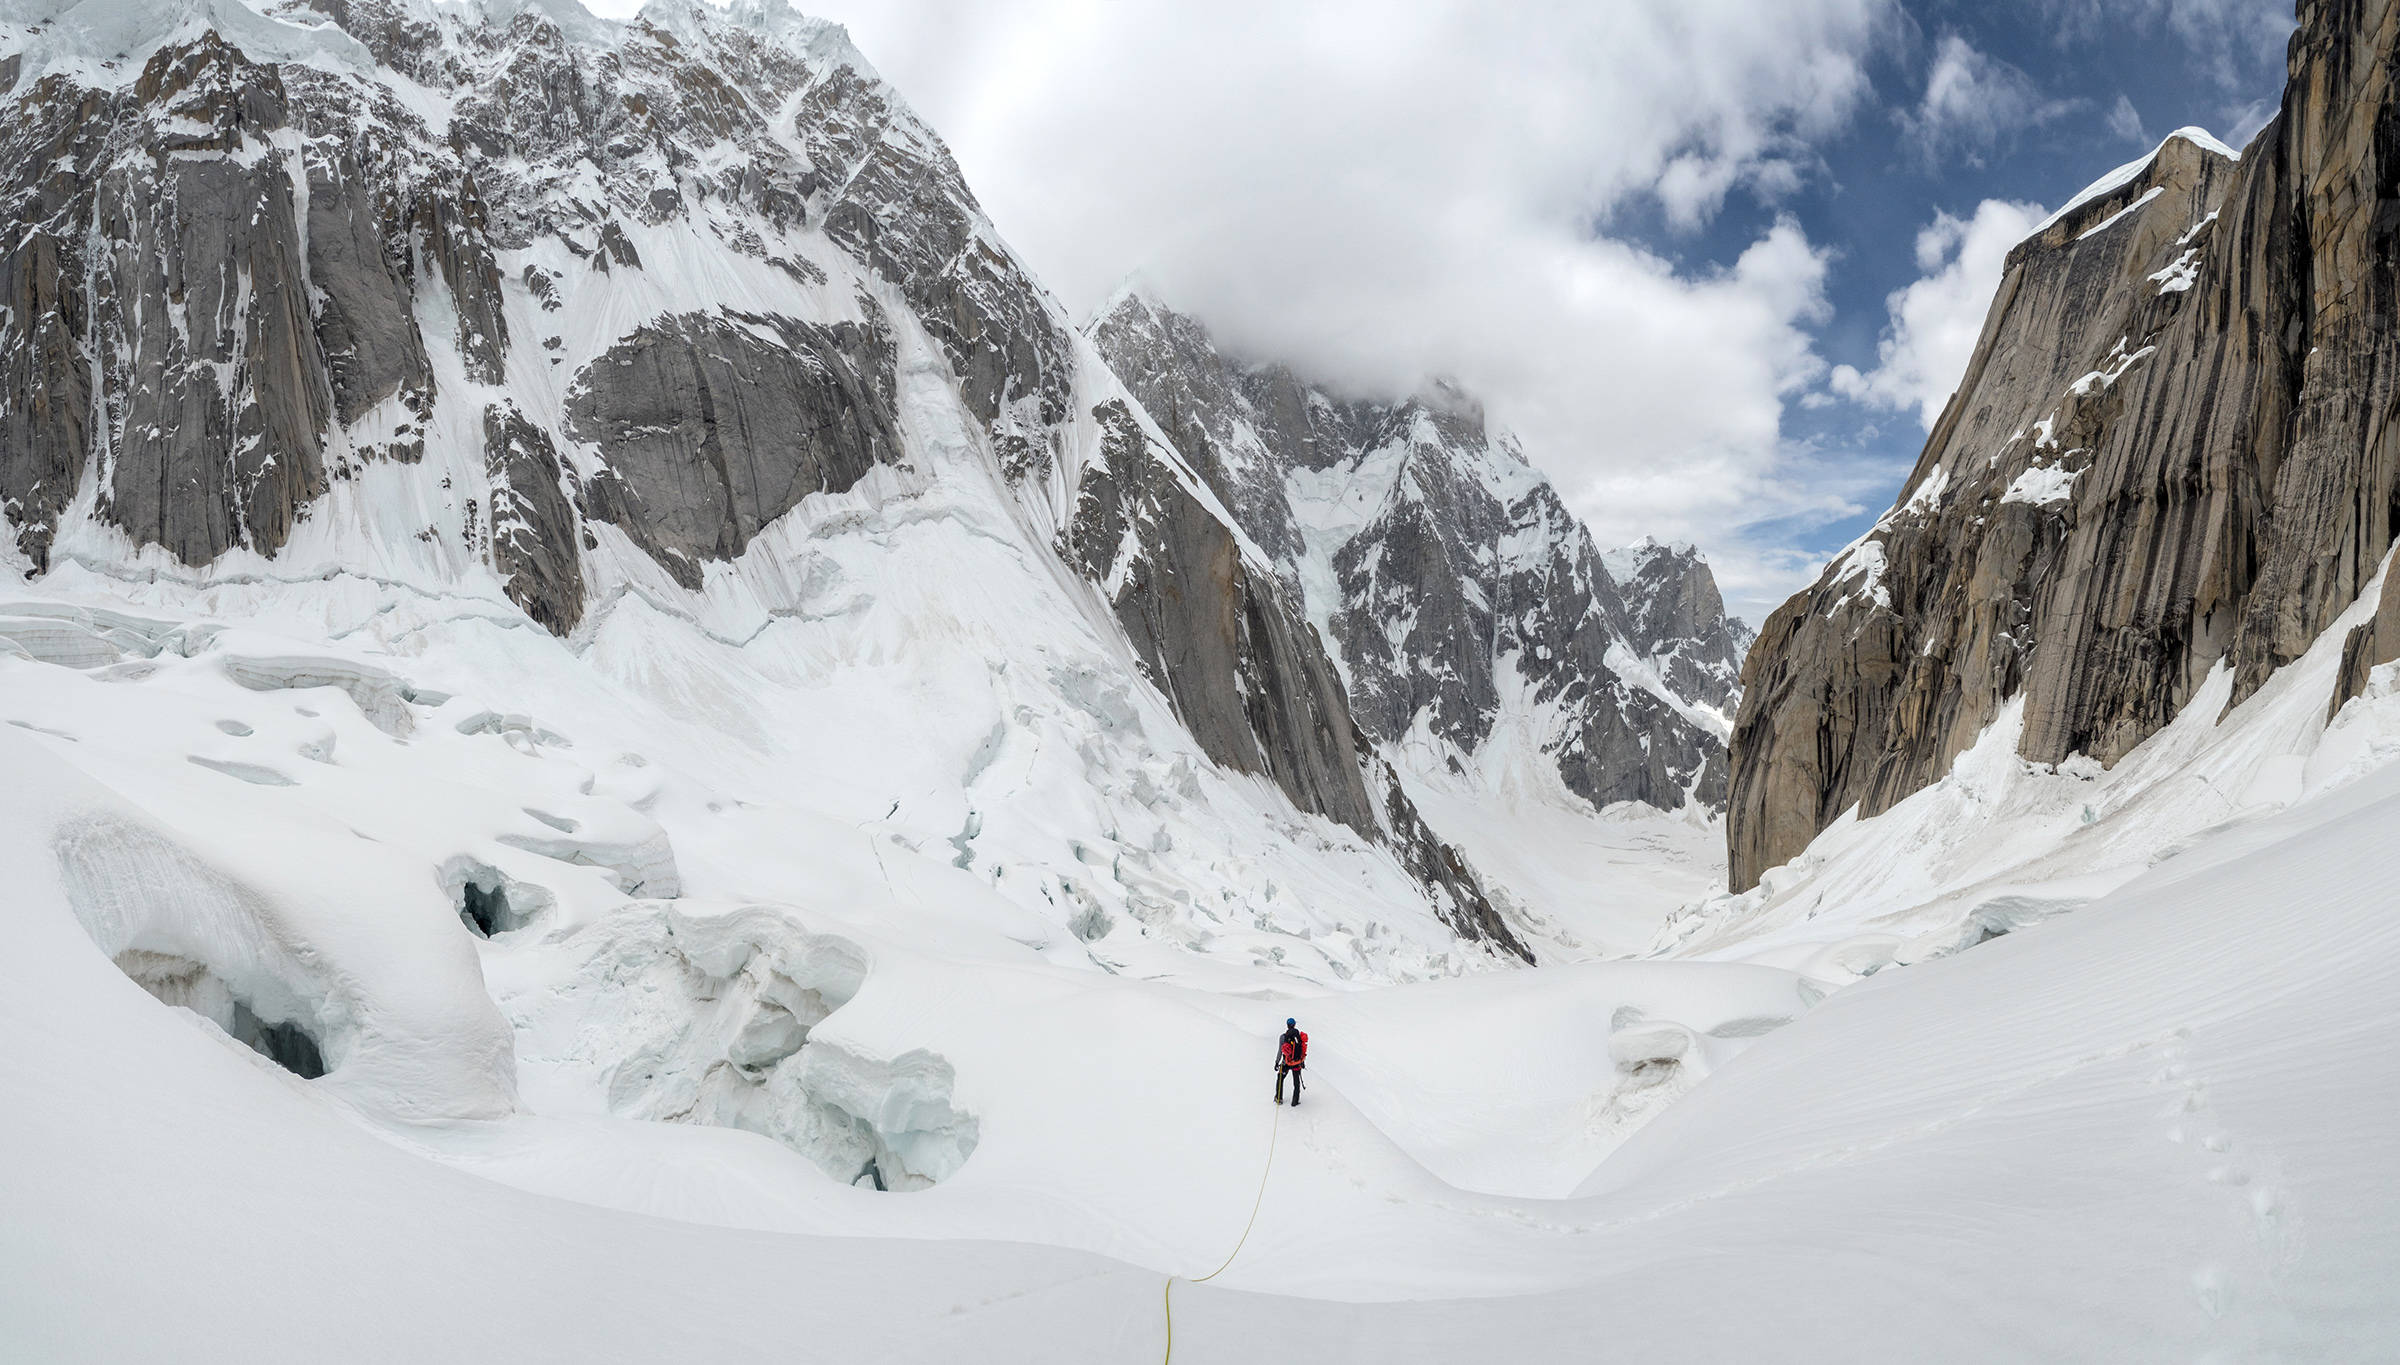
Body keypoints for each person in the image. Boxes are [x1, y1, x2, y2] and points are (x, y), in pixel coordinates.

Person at [1274, 1018, 1307, 1107]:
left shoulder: (1283, 1037)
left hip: (1286, 1062)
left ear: (1287, 1025)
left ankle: (1279, 1098)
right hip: (1296, 1062)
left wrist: (1277, 1062)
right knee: (1296, 1082)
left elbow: (1280, 1051)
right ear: (1294, 1025)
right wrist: (1302, 1062)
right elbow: (1302, 1050)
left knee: (1280, 1077)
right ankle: (1295, 1101)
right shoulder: (1298, 1036)